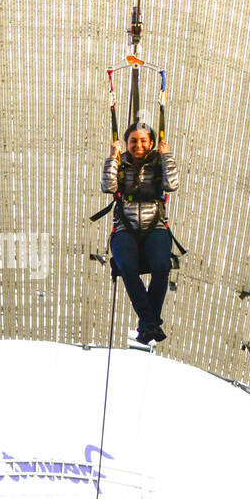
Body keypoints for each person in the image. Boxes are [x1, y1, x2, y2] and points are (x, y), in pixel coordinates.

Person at [101, 121, 179, 343]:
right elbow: (108, 186)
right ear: (126, 143)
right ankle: (150, 322)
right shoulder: (120, 162)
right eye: (133, 141)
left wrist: (167, 157)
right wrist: (112, 156)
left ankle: (148, 323)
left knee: (161, 266)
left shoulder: (159, 161)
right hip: (125, 227)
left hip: (155, 225)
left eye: (143, 141)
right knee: (126, 266)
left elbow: (172, 185)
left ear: (152, 143)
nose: (138, 145)